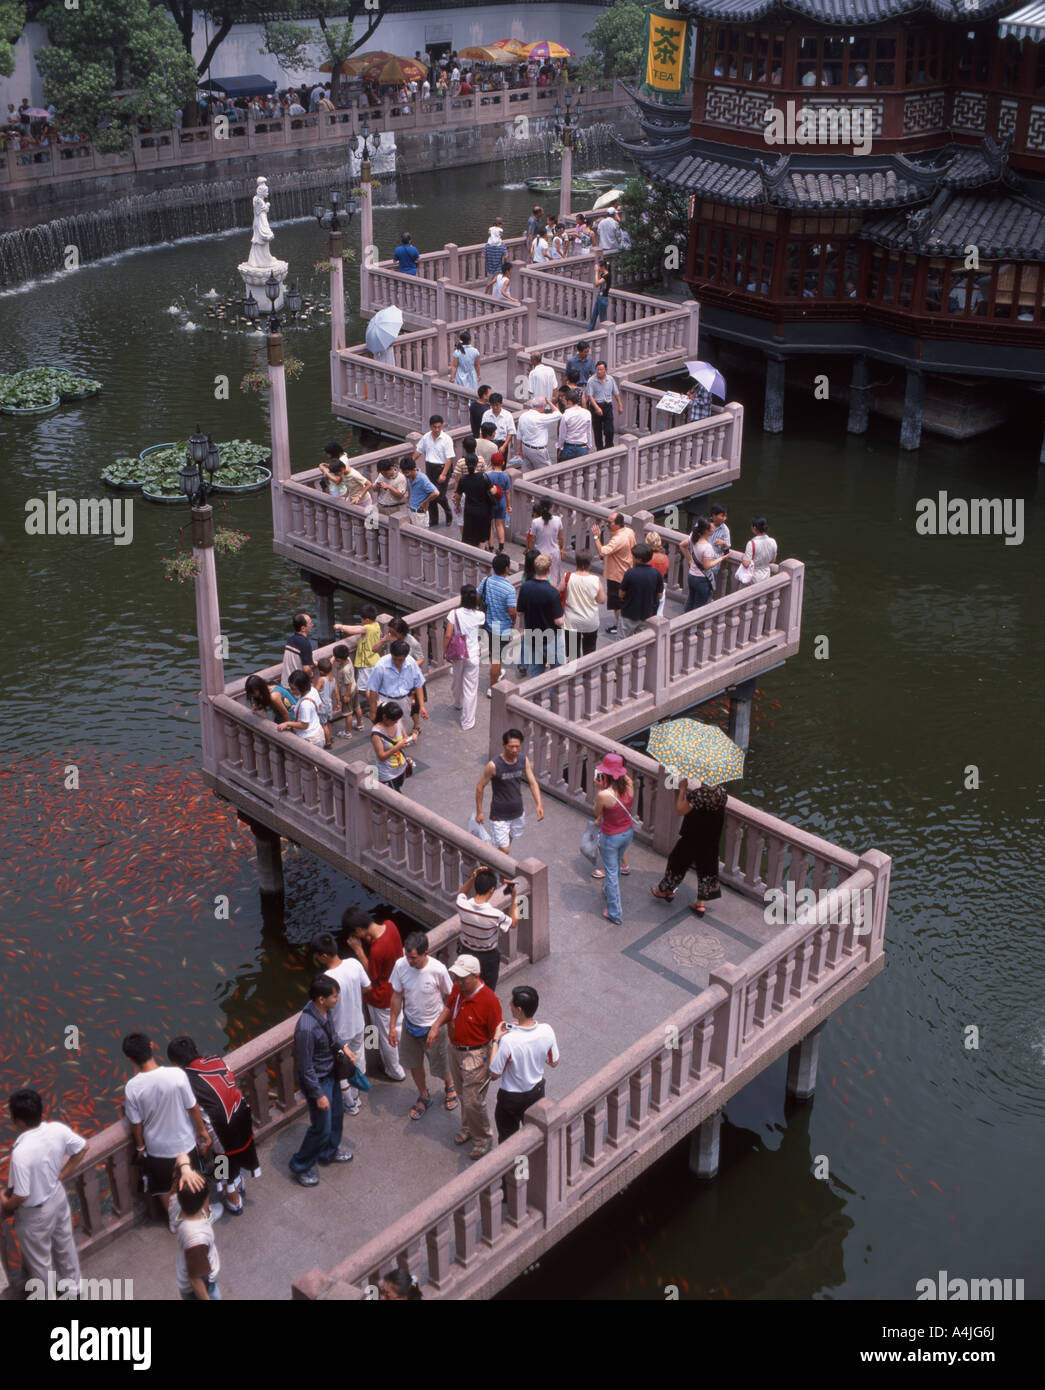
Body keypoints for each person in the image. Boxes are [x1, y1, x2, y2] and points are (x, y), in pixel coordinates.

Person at [1, 1089, 86, 1298]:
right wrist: (61, 1175)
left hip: (35, 1214)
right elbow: (83, 1147)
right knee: (65, 1246)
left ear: (17, 1120)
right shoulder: (57, 1129)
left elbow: (21, 1195)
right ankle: (74, 1289)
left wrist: (5, 1203)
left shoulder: (21, 1153)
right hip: (57, 1197)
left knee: (40, 1262)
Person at [165, 1038, 260, 1216]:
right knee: (240, 1151)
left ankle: (234, 1200)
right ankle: (238, 1183)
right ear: (195, 1049)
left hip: (221, 1128)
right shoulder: (216, 1060)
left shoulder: (186, 1080)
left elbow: (192, 1108)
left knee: (223, 1160)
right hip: (242, 1114)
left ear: (176, 1064)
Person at [121, 1032, 211, 1214]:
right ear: (152, 1046)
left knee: (164, 1187)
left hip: (156, 1148)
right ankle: (205, 1214)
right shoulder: (177, 1075)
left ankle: (174, 1221)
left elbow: (136, 1123)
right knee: (196, 1180)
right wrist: (202, 1130)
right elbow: (192, 1107)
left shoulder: (132, 1087)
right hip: (184, 1143)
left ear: (130, 1059)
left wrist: (140, 1147)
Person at [428, 955, 501, 1159]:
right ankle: (468, 1126)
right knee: (461, 1094)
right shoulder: (457, 989)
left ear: (476, 976)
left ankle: (483, 1137)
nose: (458, 982)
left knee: (473, 1100)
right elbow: (450, 1009)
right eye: (456, 977)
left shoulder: (489, 1000)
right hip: (455, 1049)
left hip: (476, 1055)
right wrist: (436, 1026)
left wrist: (495, 1063)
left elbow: (497, 1033)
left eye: (462, 978)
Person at [289, 975, 357, 1185]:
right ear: (321, 999)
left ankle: (329, 1151)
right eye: (334, 996)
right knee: (321, 1126)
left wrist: (344, 1046)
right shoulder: (306, 1028)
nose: (337, 999)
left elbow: (332, 1035)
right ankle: (301, 1165)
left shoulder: (324, 1012)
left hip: (330, 1072)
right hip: (317, 1080)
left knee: (337, 1115)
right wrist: (318, 1094)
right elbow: (305, 1066)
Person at [389, 932, 457, 1122]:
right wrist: (392, 1026)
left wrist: (441, 1027)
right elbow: (396, 995)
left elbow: (450, 1000)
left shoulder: (438, 970)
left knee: (440, 1064)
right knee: (413, 1063)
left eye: (413, 958)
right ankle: (424, 1095)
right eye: (407, 956)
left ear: (425, 953)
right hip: (410, 1025)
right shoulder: (400, 965)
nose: (409, 961)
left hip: (434, 1027)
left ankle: (450, 1085)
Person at [342, 906, 406, 1081]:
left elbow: (372, 974)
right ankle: (385, 1056)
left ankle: (394, 1070)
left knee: (384, 1036)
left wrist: (359, 951)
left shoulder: (377, 950)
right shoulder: (390, 925)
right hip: (397, 990)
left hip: (380, 997)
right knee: (396, 1026)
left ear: (358, 930)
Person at [310, 932, 370, 1115]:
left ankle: (351, 1105)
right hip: (359, 1024)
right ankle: (356, 1095)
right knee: (357, 1059)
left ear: (324, 956)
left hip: (339, 1034)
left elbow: (321, 1009)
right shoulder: (354, 963)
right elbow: (368, 987)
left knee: (341, 1069)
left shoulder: (327, 978)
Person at [489, 986, 559, 1142]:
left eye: (512, 1003)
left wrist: (496, 1040)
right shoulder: (547, 1030)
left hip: (511, 1099)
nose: (509, 1005)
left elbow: (494, 1073)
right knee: (533, 1136)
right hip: (536, 1093)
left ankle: (516, 1166)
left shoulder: (508, 1041)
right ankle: (529, 1164)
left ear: (519, 1010)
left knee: (509, 1141)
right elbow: (553, 1062)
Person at [651, 777, 727, 916]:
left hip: (693, 837)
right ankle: (700, 903)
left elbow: (681, 809)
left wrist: (683, 790)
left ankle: (666, 890)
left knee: (676, 862)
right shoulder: (722, 792)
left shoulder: (698, 794)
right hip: (711, 838)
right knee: (707, 868)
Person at [475, 727, 544, 852]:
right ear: (504, 745)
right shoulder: (494, 765)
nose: (514, 750)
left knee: (510, 838)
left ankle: (496, 853)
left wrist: (539, 804)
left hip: (518, 812)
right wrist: (479, 811)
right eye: (511, 746)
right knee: (505, 850)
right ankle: (495, 861)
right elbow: (480, 787)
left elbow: (533, 783)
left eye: (517, 747)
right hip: (499, 815)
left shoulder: (523, 760)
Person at [454, 866, 518, 989]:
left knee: (464, 987)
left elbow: (462, 893)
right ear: (492, 889)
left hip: (466, 952)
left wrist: (472, 877)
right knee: (487, 990)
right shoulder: (495, 915)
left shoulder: (462, 905)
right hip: (488, 957)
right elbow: (514, 923)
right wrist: (515, 897)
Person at [168, 1158, 222, 1299]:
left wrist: (185, 1171)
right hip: (203, 1288)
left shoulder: (175, 1202)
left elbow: (181, 1156)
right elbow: (195, 1279)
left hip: (189, 1273)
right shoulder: (196, 1238)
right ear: (205, 1199)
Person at [592, 753, 635, 924]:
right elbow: (623, 776)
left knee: (610, 872)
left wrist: (599, 788)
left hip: (611, 836)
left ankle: (614, 912)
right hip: (627, 833)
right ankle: (610, 892)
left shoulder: (604, 795)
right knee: (615, 864)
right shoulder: (630, 784)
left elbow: (597, 813)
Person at [516, 553, 565, 677]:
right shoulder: (552, 592)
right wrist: (565, 615)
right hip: (551, 638)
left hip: (533, 636)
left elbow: (519, 612)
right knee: (556, 674)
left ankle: (536, 697)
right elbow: (559, 621)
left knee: (536, 674)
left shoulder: (525, 587)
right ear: (549, 569)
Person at [589, 512, 637, 634]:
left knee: (617, 604)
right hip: (627, 571)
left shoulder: (618, 539)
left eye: (609, 522)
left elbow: (602, 552)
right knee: (626, 602)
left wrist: (596, 537)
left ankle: (621, 628)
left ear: (617, 524)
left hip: (616, 576)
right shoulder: (629, 531)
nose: (607, 524)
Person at [478, 553, 517, 694]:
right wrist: (513, 622)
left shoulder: (486, 581)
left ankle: (497, 672)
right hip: (502, 628)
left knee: (493, 654)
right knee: (496, 657)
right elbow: (512, 611)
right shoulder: (509, 589)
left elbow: (478, 598)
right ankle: (492, 687)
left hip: (488, 625)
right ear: (507, 568)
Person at [336, 605, 385, 708]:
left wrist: (341, 627)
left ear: (367, 620)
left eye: (361, 619)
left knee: (364, 690)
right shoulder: (376, 625)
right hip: (374, 660)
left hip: (366, 663)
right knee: (373, 687)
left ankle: (376, 706)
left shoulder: (367, 628)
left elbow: (354, 630)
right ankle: (378, 703)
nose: (361, 621)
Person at [367, 641, 427, 725]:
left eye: (400, 660)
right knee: (386, 730)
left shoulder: (411, 663)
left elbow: (418, 684)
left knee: (402, 731)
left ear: (405, 657)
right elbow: (372, 689)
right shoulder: (381, 665)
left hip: (404, 701)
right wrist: (373, 712)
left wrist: (422, 706)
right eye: (394, 658)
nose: (397, 662)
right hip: (386, 701)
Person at [412, 416, 455, 529]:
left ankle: (448, 512)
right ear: (430, 427)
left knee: (440, 495)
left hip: (443, 467)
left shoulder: (447, 439)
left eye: (439, 427)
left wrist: (444, 474)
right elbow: (418, 451)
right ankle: (434, 519)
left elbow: (449, 459)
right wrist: (410, 464)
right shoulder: (426, 437)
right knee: (430, 494)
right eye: (434, 427)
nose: (437, 429)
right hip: (430, 467)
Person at [560, 550, 604, 659]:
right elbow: (602, 600)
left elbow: (558, 591)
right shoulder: (595, 580)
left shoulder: (567, 577)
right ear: (590, 563)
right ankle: (588, 674)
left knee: (572, 654)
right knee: (589, 650)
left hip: (572, 622)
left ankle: (575, 674)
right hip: (590, 621)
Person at [680, 517, 727, 611]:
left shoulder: (693, 538)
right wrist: (721, 558)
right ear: (706, 531)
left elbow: (682, 545)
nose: (714, 529)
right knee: (699, 607)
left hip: (692, 575)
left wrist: (690, 560)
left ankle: (684, 622)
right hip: (702, 579)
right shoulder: (707, 547)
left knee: (690, 602)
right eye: (712, 528)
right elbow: (707, 566)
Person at [619, 543, 664, 637]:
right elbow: (660, 595)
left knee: (622, 641)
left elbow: (621, 594)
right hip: (647, 614)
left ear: (638, 559)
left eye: (633, 557)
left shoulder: (630, 573)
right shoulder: (657, 574)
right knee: (642, 642)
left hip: (629, 613)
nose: (632, 559)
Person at [454, 453, 494, 551]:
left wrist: (458, 505)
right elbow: (492, 491)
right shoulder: (484, 476)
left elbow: (458, 496)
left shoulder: (463, 479)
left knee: (470, 536)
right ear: (477, 464)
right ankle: (480, 557)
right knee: (482, 537)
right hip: (484, 510)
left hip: (470, 511)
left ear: (466, 465)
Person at [277, 669, 324, 745]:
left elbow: (304, 725)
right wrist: (297, 708)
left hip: (310, 738)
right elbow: (319, 705)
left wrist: (287, 723)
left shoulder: (305, 705)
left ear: (302, 687)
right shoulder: (313, 690)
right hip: (317, 731)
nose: (292, 691)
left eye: (294, 689)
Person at [528, 496, 566, 587]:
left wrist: (530, 551)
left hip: (540, 554)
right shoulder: (557, 520)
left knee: (540, 578)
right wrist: (561, 548)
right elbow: (561, 538)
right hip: (554, 552)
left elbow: (532, 539)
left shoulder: (535, 522)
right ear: (551, 507)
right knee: (554, 577)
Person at [587, 360, 622, 450]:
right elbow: (590, 396)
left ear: (605, 370)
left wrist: (620, 405)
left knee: (609, 430)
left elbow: (616, 393)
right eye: (597, 369)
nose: (599, 372)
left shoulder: (610, 379)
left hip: (607, 406)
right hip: (596, 406)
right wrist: (597, 408)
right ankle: (600, 448)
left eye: (601, 369)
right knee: (597, 430)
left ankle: (609, 446)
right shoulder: (591, 381)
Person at [517, 400, 559, 471]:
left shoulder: (523, 416)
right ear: (543, 407)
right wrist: (549, 402)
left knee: (528, 474)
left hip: (525, 448)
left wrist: (518, 450)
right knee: (546, 474)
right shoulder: (541, 417)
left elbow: (519, 435)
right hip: (538, 451)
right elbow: (559, 414)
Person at [332, 643, 364, 734]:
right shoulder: (348, 659)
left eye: (335, 657)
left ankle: (347, 732)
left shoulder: (345, 670)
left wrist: (346, 695)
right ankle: (359, 724)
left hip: (347, 692)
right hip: (355, 688)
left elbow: (348, 684)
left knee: (348, 713)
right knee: (357, 707)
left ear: (339, 659)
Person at [485, 450, 512, 551]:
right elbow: (508, 492)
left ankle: (491, 546)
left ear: (491, 463)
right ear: (503, 463)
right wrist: (508, 505)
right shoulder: (506, 476)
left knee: (490, 526)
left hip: (491, 503)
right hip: (502, 502)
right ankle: (501, 547)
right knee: (499, 525)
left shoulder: (489, 476)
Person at [738, 516, 778, 585]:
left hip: (753, 577)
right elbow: (773, 560)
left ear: (754, 528)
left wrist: (743, 557)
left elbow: (746, 564)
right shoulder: (773, 541)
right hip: (766, 575)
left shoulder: (751, 543)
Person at [401, 457, 439, 528]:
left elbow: (436, 493)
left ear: (413, 469)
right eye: (404, 473)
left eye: (407, 472)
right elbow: (409, 487)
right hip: (411, 510)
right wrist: (408, 500)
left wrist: (424, 503)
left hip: (420, 514)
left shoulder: (422, 479)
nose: (405, 475)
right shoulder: (410, 477)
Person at [558, 388, 595, 460]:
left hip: (569, 447)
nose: (563, 403)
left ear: (569, 402)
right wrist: (589, 446)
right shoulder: (587, 413)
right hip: (582, 447)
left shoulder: (566, 415)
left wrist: (560, 448)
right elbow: (589, 432)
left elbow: (562, 434)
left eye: (565, 401)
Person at [281, 610, 314, 686]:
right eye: (310, 623)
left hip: (285, 683)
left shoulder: (290, 640)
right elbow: (306, 669)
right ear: (303, 628)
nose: (312, 625)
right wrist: (312, 676)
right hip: (297, 687)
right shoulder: (305, 643)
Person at [645, 532, 670, 616]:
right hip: (659, 587)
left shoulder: (645, 558)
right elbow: (666, 571)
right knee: (658, 613)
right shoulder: (665, 558)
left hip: (646, 588)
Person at [314, 657, 336, 749]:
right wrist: (338, 702)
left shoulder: (321, 679)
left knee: (323, 725)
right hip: (329, 704)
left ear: (321, 671)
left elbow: (316, 691)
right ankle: (330, 737)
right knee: (328, 723)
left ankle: (327, 743)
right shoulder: (332, 678)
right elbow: (336, 691)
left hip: (322, 707)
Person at [588, 257, 612, 331]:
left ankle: (605, 332)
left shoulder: (607, 275)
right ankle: (589, 330)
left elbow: (597, 283)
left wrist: (596, 272)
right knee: (593, 316)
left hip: (603, 299)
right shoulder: (603, 274)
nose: (598, 269)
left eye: (599, 267)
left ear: (602, 267)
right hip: (600, 297)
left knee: (603, 319)